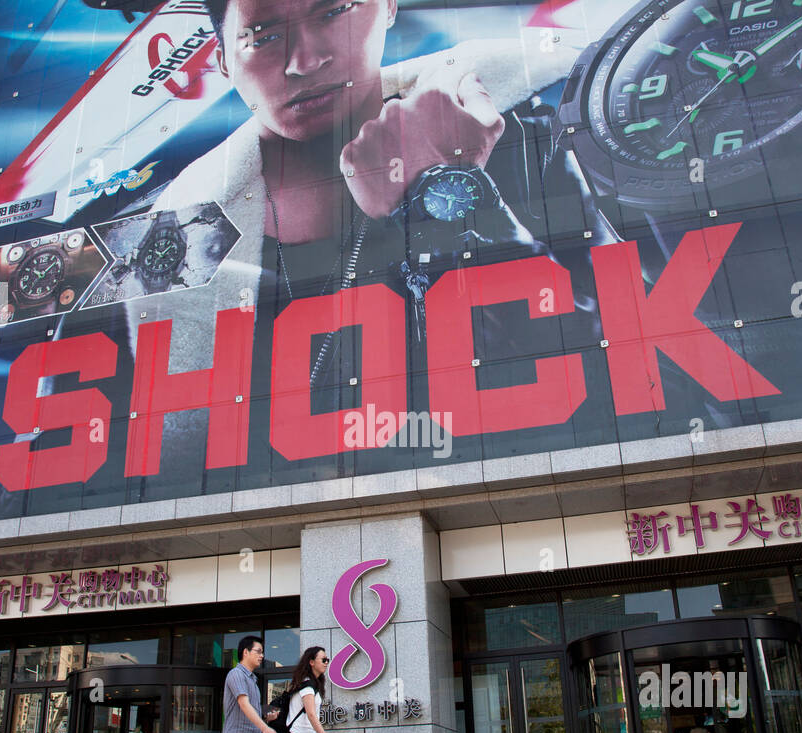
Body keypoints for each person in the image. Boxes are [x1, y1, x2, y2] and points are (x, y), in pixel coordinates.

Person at [130, 0, 618, 477]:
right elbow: (168, 467)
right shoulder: (165, 251)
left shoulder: (525, 131)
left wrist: (443, 190)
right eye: (264, 36)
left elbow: (624, 362)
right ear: (222, 61)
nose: (304, 61)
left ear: (387, 7)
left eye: (332, 13)